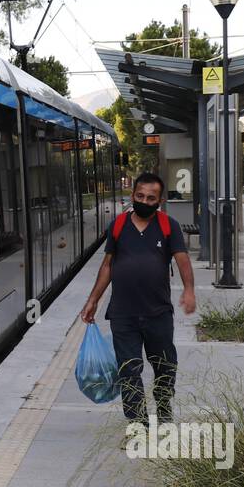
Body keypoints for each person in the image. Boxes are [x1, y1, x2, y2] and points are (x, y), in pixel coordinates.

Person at [80, 173, 196, 435]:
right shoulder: (118, 225)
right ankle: (138, 425)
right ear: (133, 195)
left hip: (158, 313)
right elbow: (108, 265)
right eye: (140, 196)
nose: (145, 201)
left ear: (160, 200)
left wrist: (189, 291)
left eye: (151, 198)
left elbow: (182, 260)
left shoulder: (169, 225)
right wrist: (93, 300)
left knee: (165, 367)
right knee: (129, 371)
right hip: (123, 314)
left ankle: (164, 413)